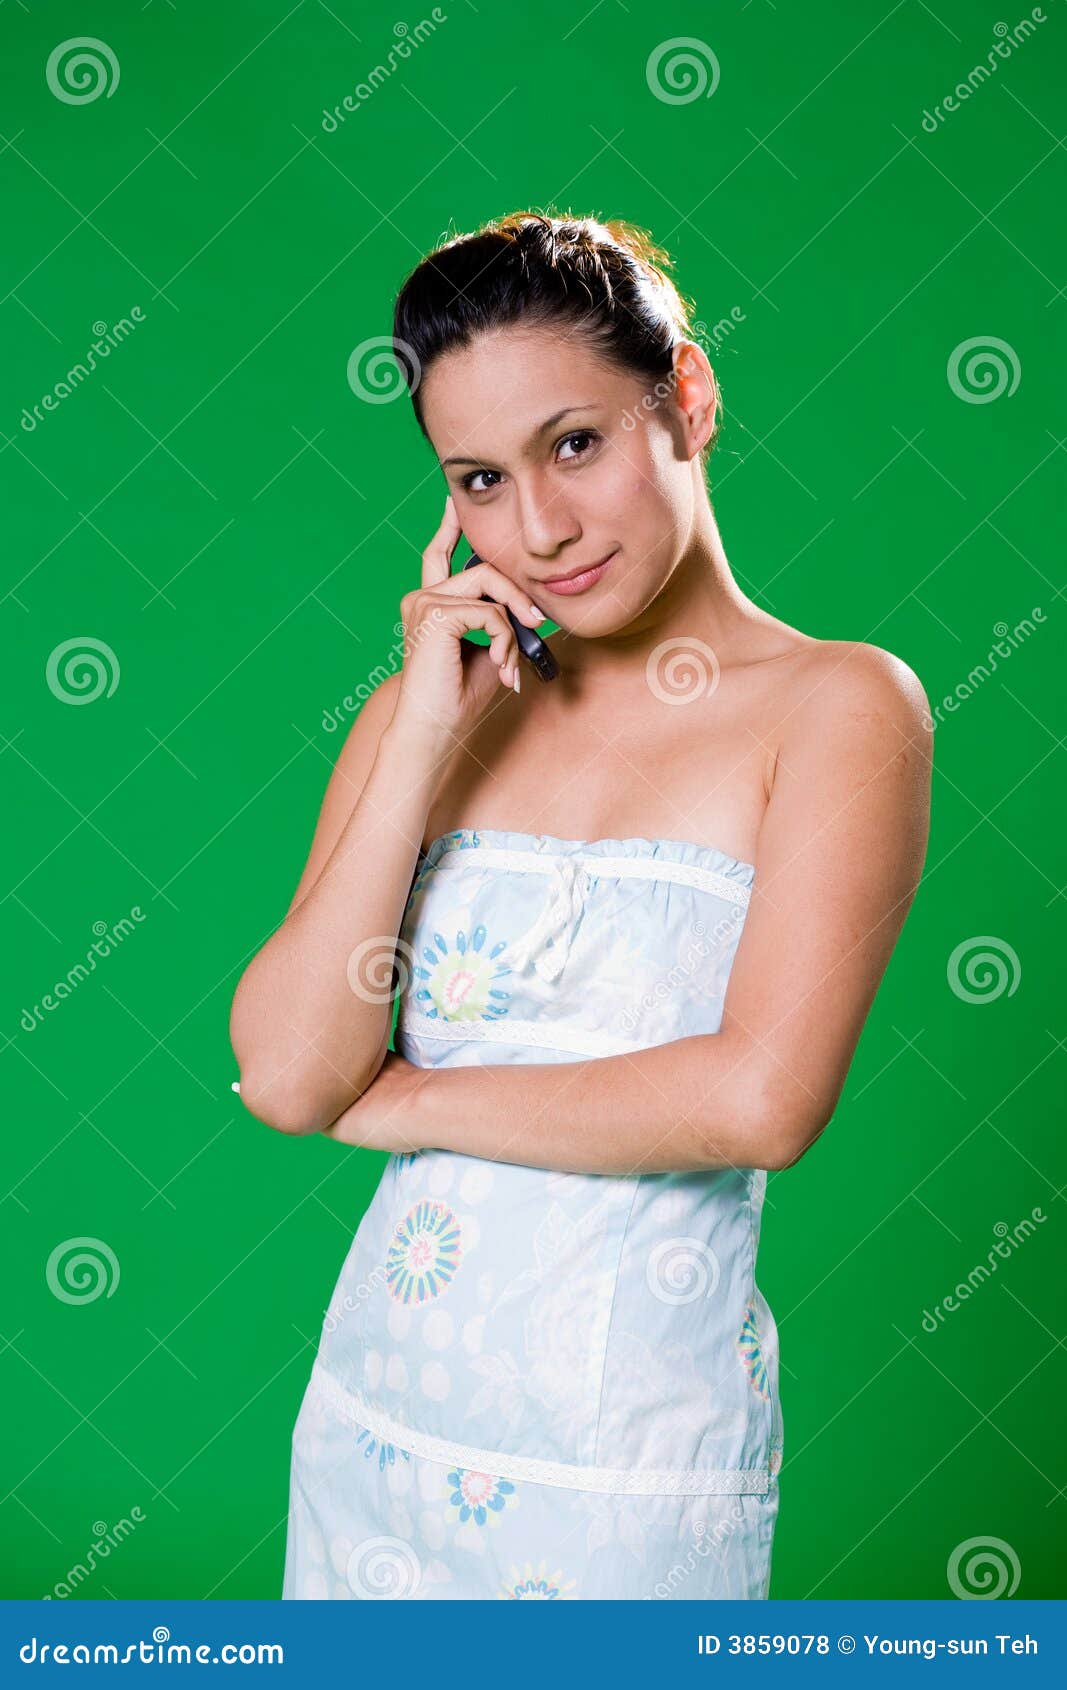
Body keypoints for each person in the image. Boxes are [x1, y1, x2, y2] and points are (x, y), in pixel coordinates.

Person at [230, 210, 932, 1600]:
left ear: (687, 398)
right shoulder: (427, 717)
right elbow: (293, 1073)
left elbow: (761, 1100)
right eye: (481, 480)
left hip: (627, 1467)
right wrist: (424, 736)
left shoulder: (841, 708)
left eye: (574, 444)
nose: (539, 528)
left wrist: (411, 1101)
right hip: (374, 1438)